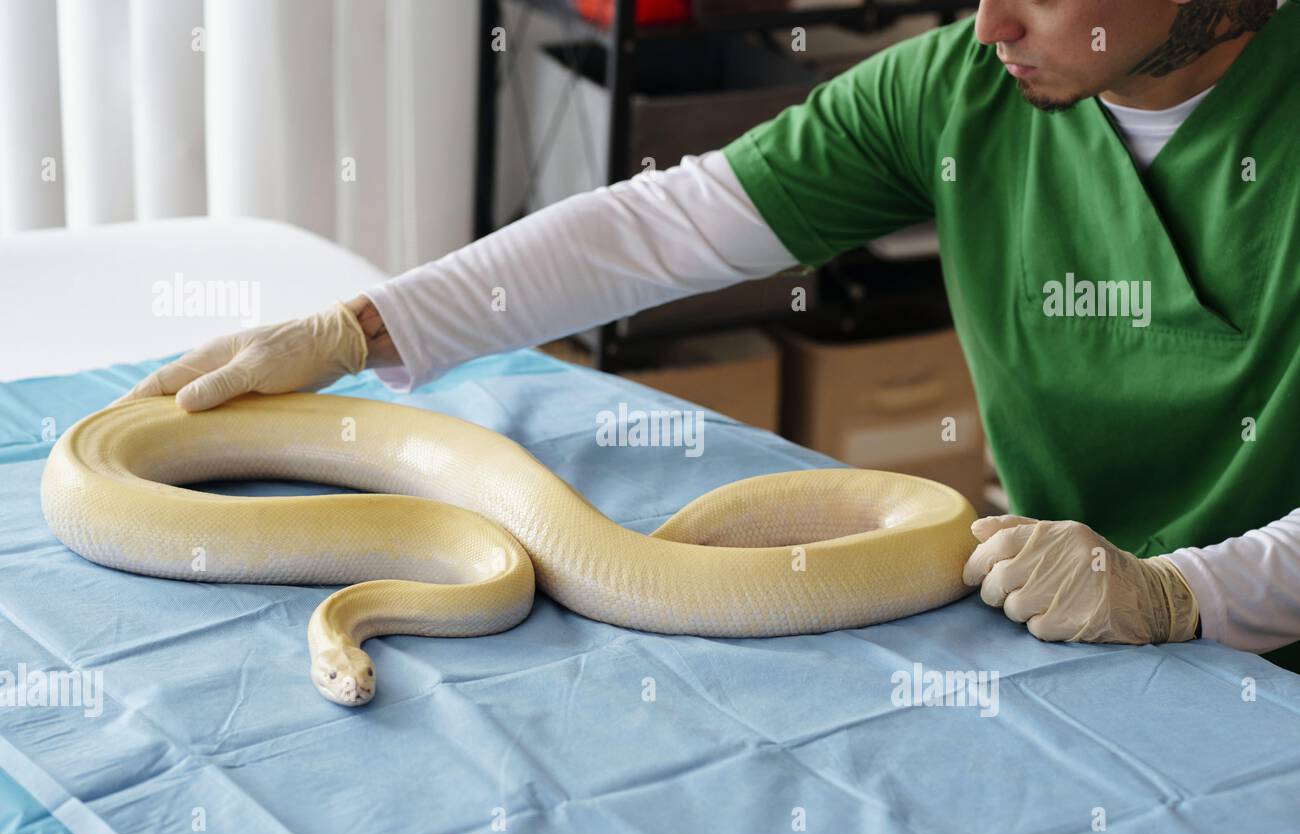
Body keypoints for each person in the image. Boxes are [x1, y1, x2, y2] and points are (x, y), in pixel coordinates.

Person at [116, 0, 1300, 661]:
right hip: (1042, 615)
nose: (991, 18)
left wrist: (1175, 596)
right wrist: (359, 326)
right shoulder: (957, 89)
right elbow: (659, 226)